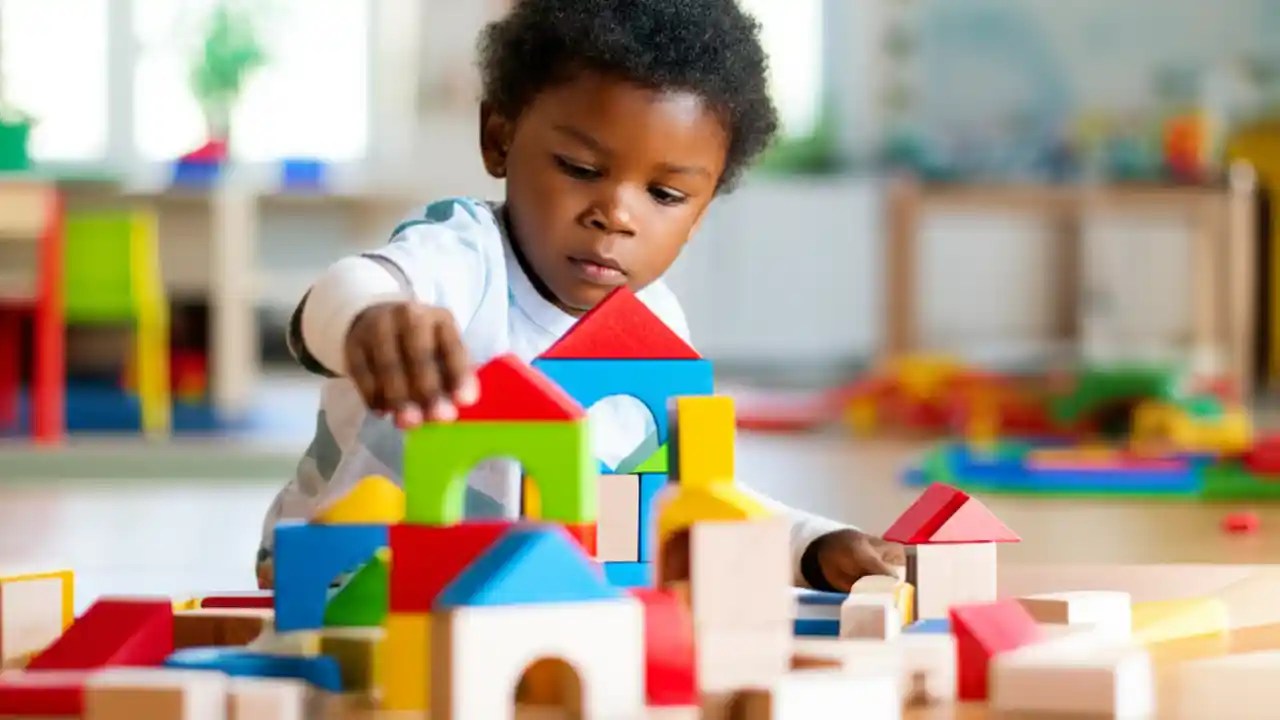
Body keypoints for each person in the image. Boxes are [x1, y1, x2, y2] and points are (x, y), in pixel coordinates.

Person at [257, 0, 903, 592]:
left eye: (667, 196)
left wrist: (812, 546)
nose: (615, 214)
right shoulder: (464, 257)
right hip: (339, 582)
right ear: (500, 139)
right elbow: (344, 291)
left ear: (702, 211)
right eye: (581, 169)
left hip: (512, 599)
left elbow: (693, 494)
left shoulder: (655, 329)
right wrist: (372, 319)